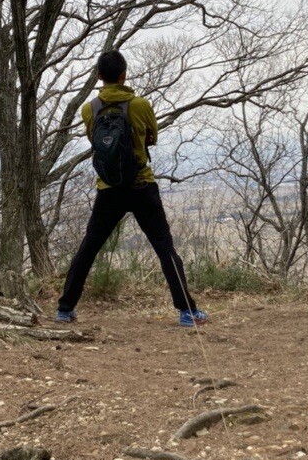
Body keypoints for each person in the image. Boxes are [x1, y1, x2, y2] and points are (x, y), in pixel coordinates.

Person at [56, 50, 207, 327]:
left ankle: (65, 309)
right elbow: (153, 137)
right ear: (124, 74)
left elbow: (96, 142)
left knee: (89, 247)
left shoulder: (89, 109)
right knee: (164, 247)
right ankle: (187, 312)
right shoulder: (139, 104)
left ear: (100, 76)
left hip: (108, 189)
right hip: (141, 185)